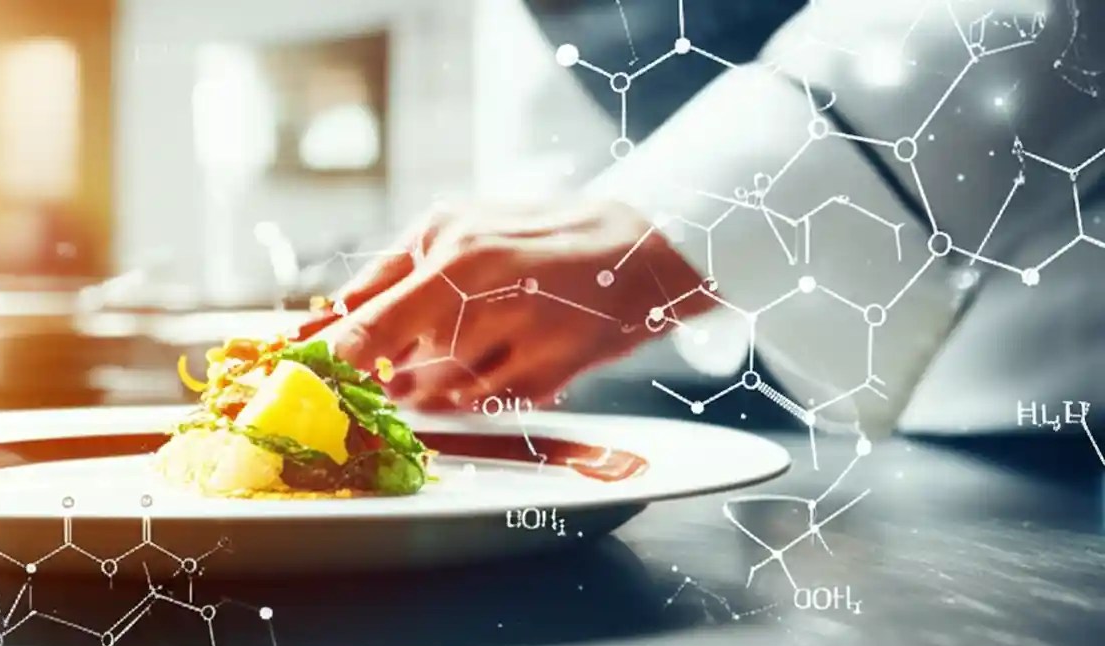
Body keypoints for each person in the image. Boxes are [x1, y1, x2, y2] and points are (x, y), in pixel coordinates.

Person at [319, 0, 1105, 440]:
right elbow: (585, 101)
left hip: (1053, 386)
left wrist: (676, 218)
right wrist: (501, 292)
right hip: (830, 412)